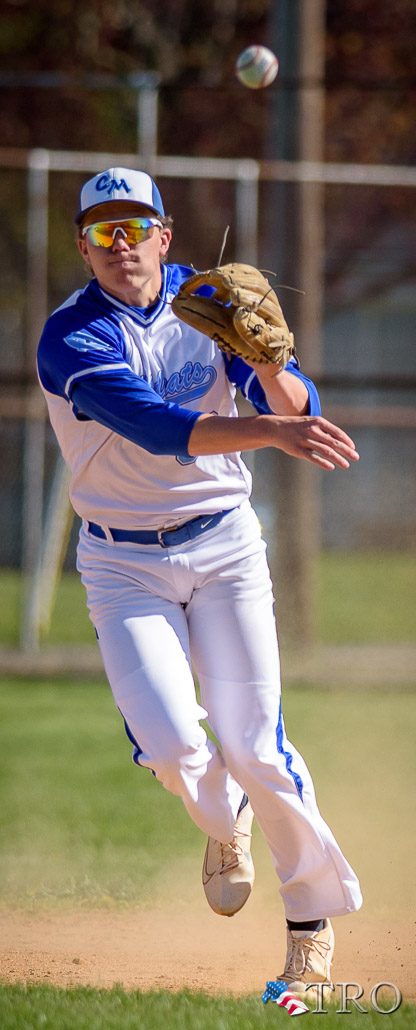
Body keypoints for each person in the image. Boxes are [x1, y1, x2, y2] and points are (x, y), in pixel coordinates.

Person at [37, 166, 362, 996]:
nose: (122, 245)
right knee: (183, 750)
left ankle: (309, 928)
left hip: (223, 551)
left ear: (164, 235)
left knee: (257, 747)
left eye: (134, 227)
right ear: (82, 246)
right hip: (123, 564)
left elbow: (290, 402)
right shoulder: (71, 337)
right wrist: (268, 433)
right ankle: (227, 822)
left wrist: (277, 370)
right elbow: (155, 427)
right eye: (103, 232)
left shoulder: (207, 302)